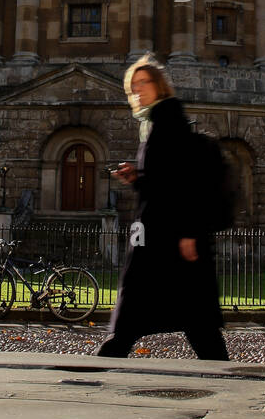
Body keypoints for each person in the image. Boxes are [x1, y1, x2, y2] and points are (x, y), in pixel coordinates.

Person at [97, 56, 228, 360]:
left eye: (143, 83)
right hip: (160, 236)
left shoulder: (168, 121)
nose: (137, 90)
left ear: (159, 85)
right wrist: (137, 177)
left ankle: (100, 367)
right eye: (133, 86)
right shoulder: (155, 122)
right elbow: (162, 182)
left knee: (186, 320)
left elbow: (186, 182)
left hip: (170, 238)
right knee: (195, 320)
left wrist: (189, 233)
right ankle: (109, 356)